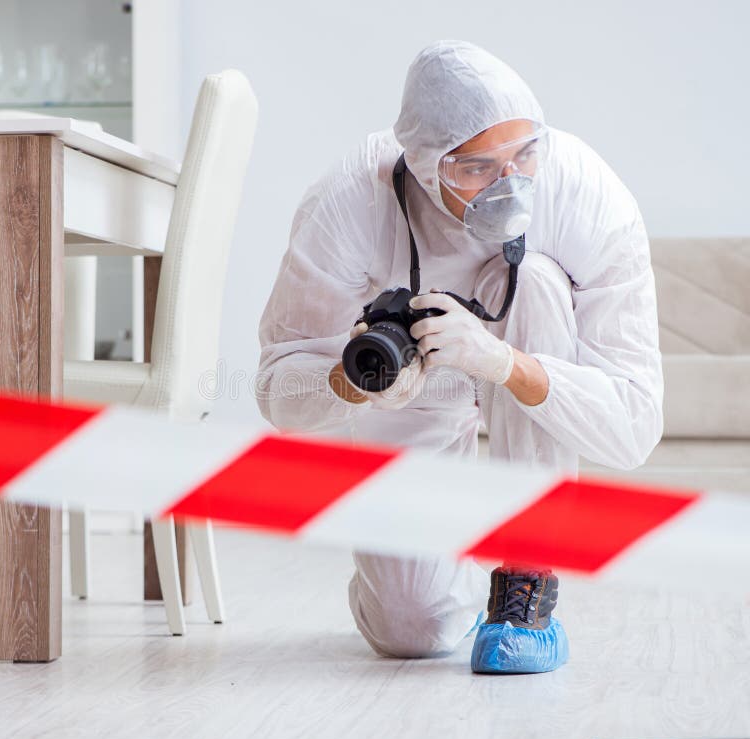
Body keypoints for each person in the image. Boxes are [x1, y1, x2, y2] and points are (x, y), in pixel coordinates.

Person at [256, 40, 663, 672]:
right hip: (417, 387)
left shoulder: (585, 196)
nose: (510, 183)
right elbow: (277, 393)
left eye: (525, 154)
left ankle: (527, 578)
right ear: (423, 167)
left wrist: (503, 362)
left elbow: (633, 429)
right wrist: (352, 383)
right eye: (475, 168)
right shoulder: (351, 199)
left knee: (539, 282)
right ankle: (444, 571)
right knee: (410, 631)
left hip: (530, 365)